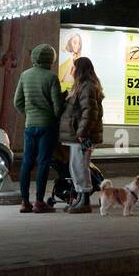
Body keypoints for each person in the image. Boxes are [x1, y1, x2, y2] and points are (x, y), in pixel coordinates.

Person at [14, 43, 63, 213]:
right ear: (51, 59)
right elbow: (58, 107)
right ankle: (39, 202)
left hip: (30, 126)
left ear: (34, 57)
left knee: (27, 163)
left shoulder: (24, 75)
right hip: (47, 126)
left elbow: (17, 102)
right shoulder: (52, 77)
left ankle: (24, 202)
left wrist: (28, 115)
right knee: (43, 163)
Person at [59, 56, 105, 213]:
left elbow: (90, 112)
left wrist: (82, 133)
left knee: (80, 166)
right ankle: (79, 198)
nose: (71, 70)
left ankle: (84, 200)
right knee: (76, 166)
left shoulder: (87, 87)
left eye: (74, 67)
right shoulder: (82, 86)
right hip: (77, 135)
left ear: (80, 69)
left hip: (82, 136)